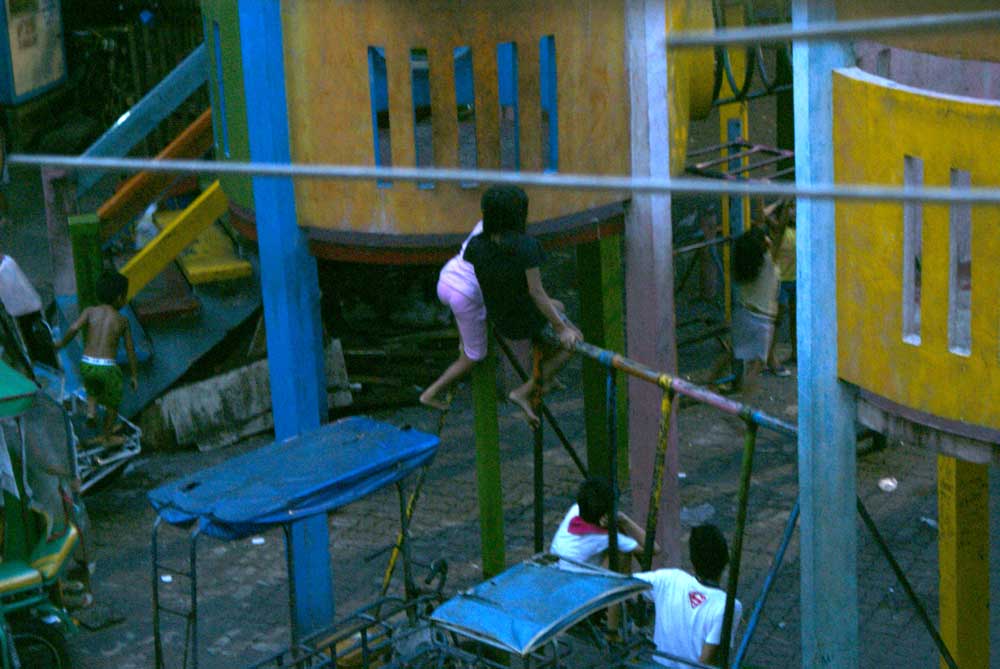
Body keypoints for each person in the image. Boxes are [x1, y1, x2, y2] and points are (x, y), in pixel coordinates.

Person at [463, 185, 582, 426]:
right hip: (523, 318)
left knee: (558, 306)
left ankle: (545, 377)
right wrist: (562, 329)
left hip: (500, 315)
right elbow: (536, 292)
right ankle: (525, 391)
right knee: (575, 340)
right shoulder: (526, 246)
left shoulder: (476, 245)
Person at [635, 524, 742, 668]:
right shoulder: (728, 606)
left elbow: (624, 582)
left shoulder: (668, 579)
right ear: (725, 561)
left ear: (692, 559)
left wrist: (623, 521)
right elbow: (706, 662)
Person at [55, 271, 138, 444]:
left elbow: (74, 328)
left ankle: (91, 412)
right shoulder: (122, 321)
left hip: (87, 363)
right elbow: (130, 349)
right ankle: (107, 437)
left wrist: (61, 344)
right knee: (112, 405)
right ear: (118, 298)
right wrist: (134, 375)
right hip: (107, 367)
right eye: (125, 297)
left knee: (92, 387)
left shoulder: (90, 311)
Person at [419, 220, 486, 411]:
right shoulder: (506, 243)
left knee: (466, 330)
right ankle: (429, 394)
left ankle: (463, 344)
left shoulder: (483, 224)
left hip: (448, 277)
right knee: (474, 356)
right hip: (463, 294)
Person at [550, 477, 657, 570]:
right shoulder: (605, 537)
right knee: (622, 552)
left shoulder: (575, 509)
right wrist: (625, 520)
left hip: (558, 573)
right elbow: (654, 549)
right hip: (580, 587)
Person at [730, 224, 782, 392]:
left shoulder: (747, 262)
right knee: (757, 365)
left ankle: (709, 383)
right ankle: (746, 407)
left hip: (743, 313)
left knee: (734, 352)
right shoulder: (768, 261)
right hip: (762, 319)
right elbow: (780, 232)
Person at [766, 199, 796, 369]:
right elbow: (763, 213)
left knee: (795, 318)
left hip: (795, 279)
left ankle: (796, 353)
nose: (794, 212)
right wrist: (779, 202)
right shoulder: (778, 230)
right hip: (780, 281)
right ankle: (771, 357)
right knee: (778, 321)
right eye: (791, 208)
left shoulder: (798, 229)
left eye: (795, 208)